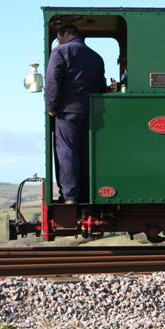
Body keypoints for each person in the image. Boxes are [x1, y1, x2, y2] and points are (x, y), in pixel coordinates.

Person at [45, 25, 106, 204]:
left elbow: (52, 79)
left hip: (67, 111)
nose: (58, 42)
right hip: (92, 111)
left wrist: (51, 106)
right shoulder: (96, 57)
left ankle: (70, 195)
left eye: (59, 38)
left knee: (67, 152)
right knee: (87, 152)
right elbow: (101, 85)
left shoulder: (60, 52)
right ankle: (87, 194)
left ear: (67, 34)